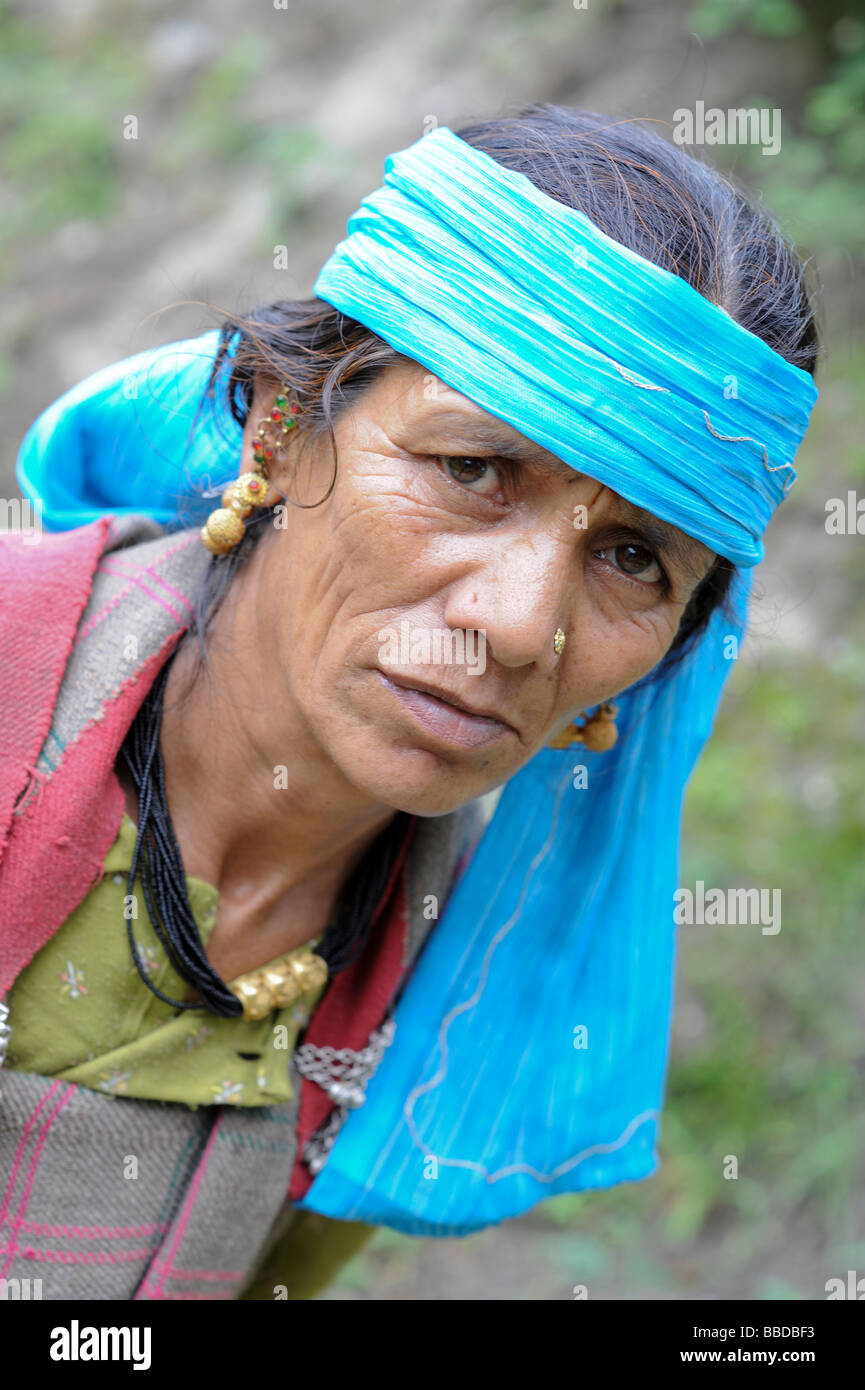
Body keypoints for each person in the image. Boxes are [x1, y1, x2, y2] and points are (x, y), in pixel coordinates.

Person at [0, 105, 818, 1301]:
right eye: (471, 470)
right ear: (278, 431)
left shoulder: (436, 999)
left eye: (635, 559)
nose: (522, 622)